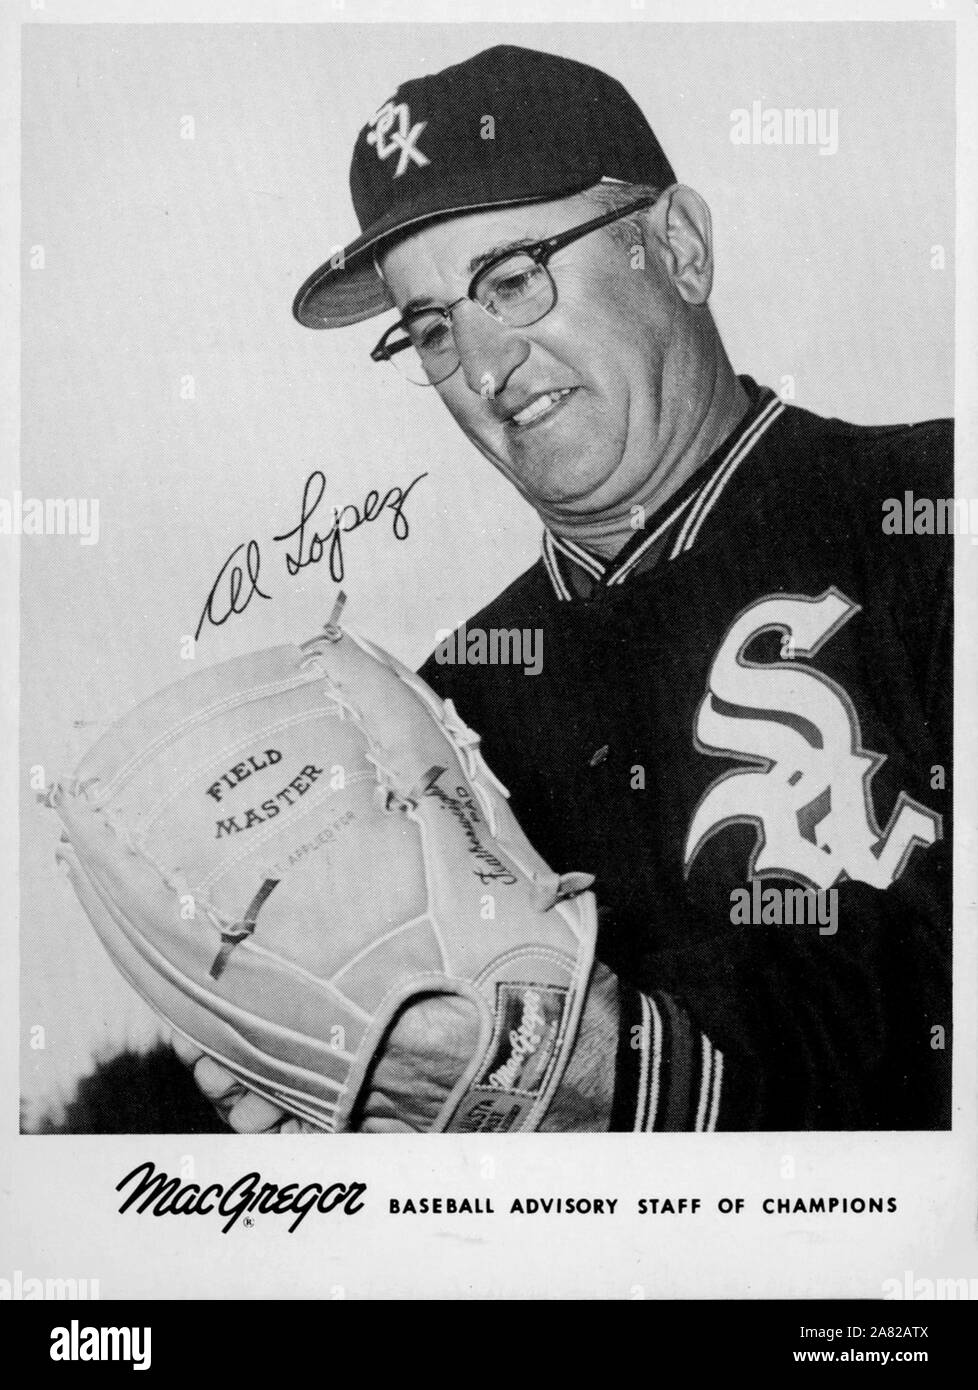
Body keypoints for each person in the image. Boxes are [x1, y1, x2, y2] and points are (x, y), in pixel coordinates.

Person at [180, 43, 952, 1133]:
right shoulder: (447, 714)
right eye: (435, 328)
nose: (487, 368)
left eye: (512, 277)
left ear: (679, 247)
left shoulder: (934, 517)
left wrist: (616, 1077)